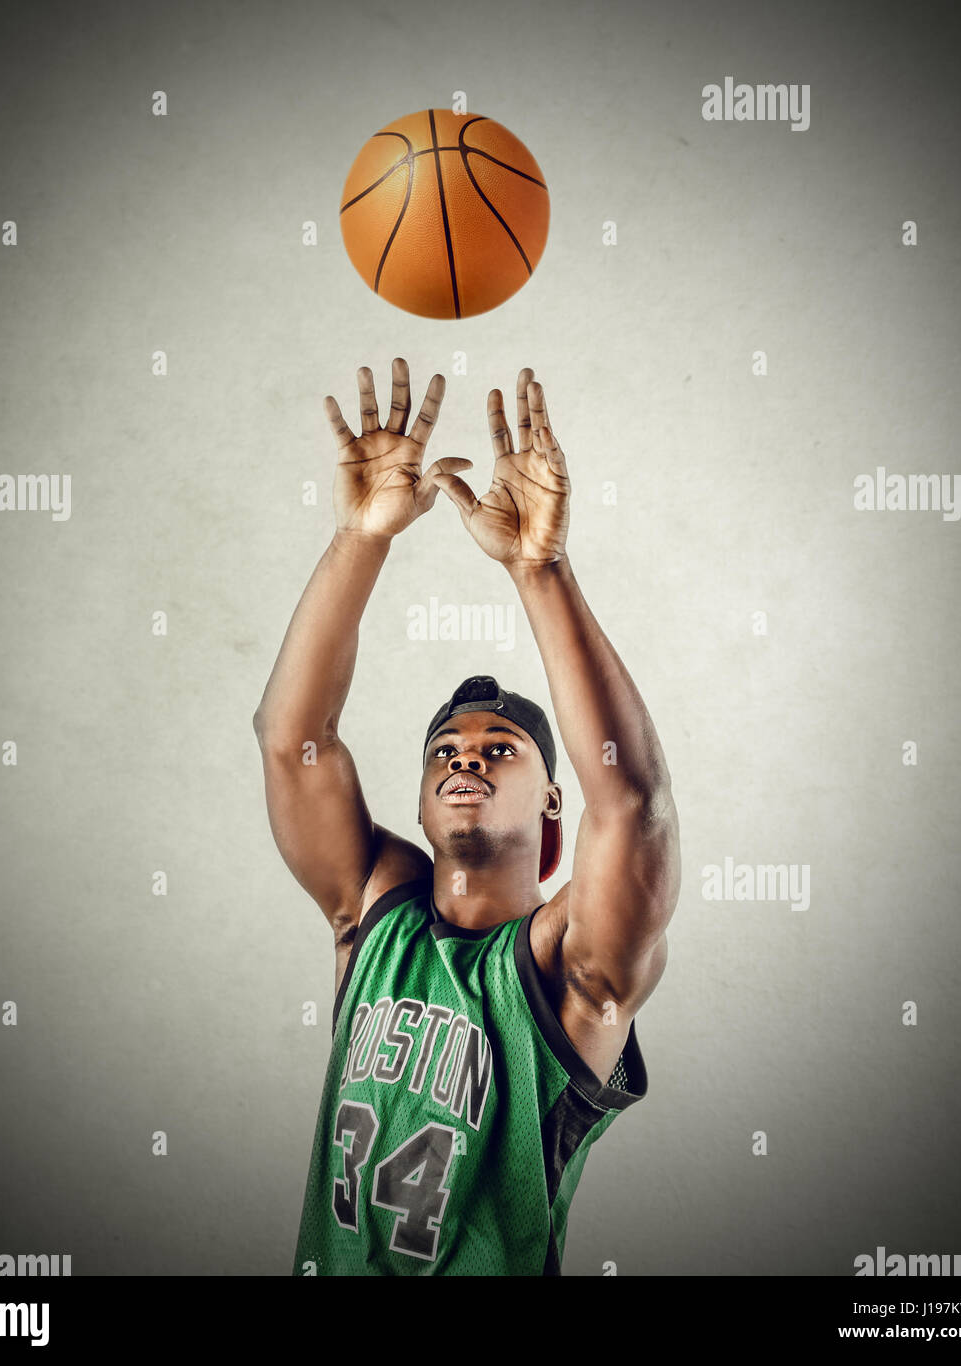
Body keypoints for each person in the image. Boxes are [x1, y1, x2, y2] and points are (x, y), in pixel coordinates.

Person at [253, 359, 680, 1275]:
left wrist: (540, 568)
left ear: (553, 800)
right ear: (416, 797)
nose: (465, 760)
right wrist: (360, 539)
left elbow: (634, 805)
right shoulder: (373, 916)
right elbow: (294, 742)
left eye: (499, 749)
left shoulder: (570, 969)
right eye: (444, 751)